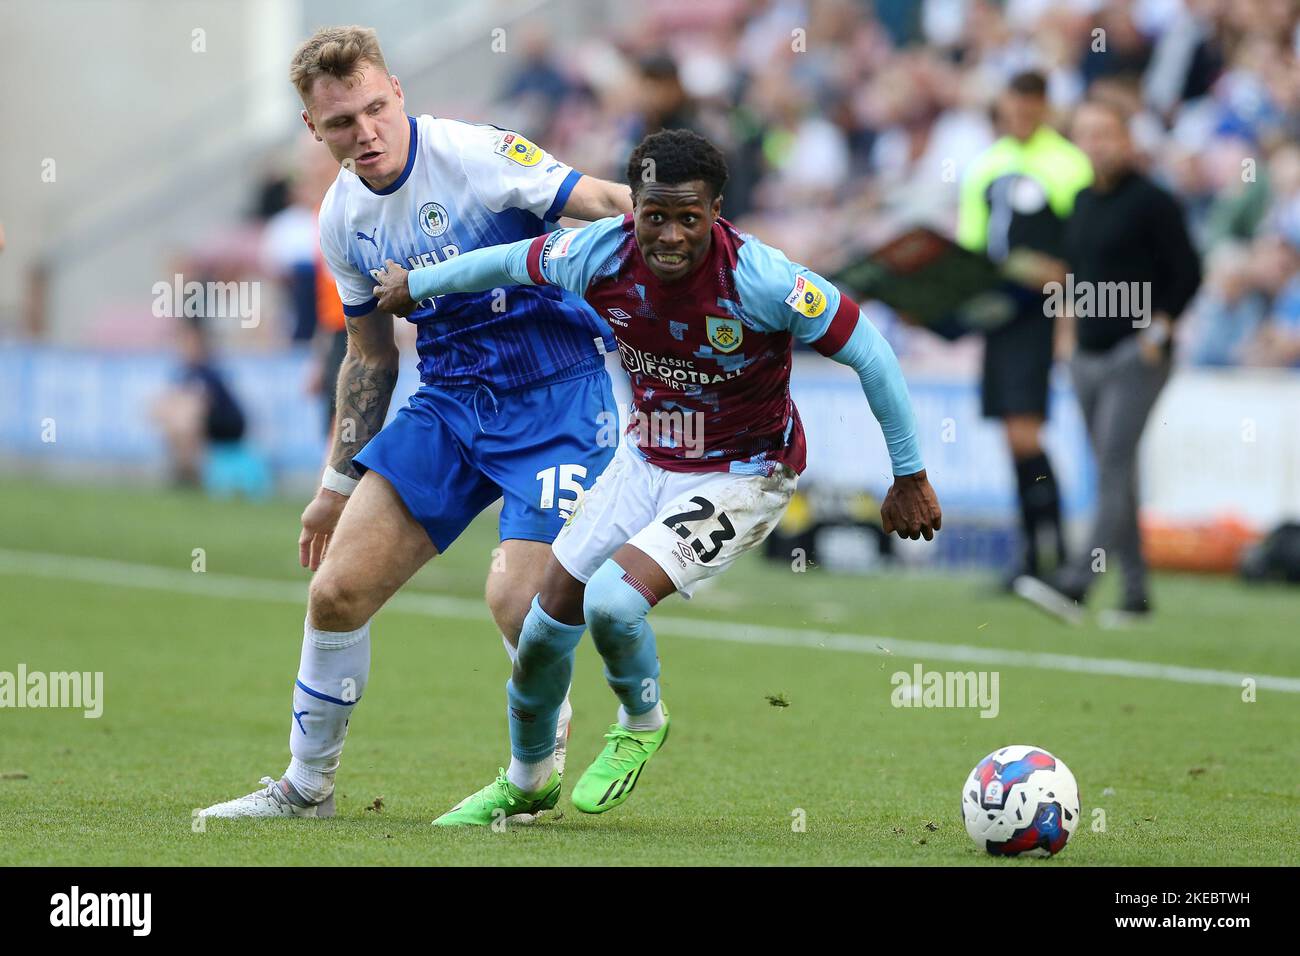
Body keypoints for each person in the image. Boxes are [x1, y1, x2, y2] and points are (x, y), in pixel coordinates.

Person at [375, 129, 942, 825]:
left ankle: (642, 722)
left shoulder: (761, 278)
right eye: (654, 216)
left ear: (717, 211)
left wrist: (908, 474)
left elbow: (873, 353)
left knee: (613, 603)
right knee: (544, 625)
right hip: (647, 457)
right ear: (632, 209)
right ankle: (526, 783)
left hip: (745, 473)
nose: (670, 236)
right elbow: (504, 263)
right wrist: (417, 284)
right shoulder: (597, 252)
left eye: (689, 218)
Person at [199, 25, 633, 819]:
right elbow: (369, 358)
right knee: (334, 593)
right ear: (313, 129)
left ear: (398, 91)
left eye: (373, 109)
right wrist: (335, 484)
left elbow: (604, 203)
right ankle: (306, 790)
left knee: (514, 603)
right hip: (452, 404)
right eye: (340, 123)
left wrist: (700, 245)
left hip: (559, 401)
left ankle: (531, 777)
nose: (364, 134)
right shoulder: (341, 220)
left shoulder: (476, 153)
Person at [1014, 98, 1201, 626]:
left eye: (1105, 134)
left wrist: (1158, 329)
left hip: (1134, 353)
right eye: (1086, 135)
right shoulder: (1080, 201)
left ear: (1127, 139)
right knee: (1118, 473)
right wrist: (1067, 333)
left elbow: (1188, 271)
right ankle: (1136, 593)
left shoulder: (1153, 201)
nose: (1096, 145)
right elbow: (1079, 276)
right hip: (1088, 355)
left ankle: (1078, 580)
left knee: (1114, 465)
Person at [957, 71, 1092, 588]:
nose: (1018, 117)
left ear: (1043, 108)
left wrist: (1066, 294)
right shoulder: (987, 166)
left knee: (1025, 431)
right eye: (1011, 108)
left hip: (1040, 312)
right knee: (1012, 435)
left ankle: (1051, 551)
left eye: (1028, 108)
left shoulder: (1067, 164)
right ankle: (1036, 554)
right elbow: (973, 248)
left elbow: (1082, 244)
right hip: (999, 314)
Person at [152, 317, 247, 486]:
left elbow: (202, 404)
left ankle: (190, 474)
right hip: (202, 423)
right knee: (172, 417)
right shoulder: (182, 373)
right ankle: (183, 469)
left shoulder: (209, 373)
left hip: (226, 426)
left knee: (185, 418)